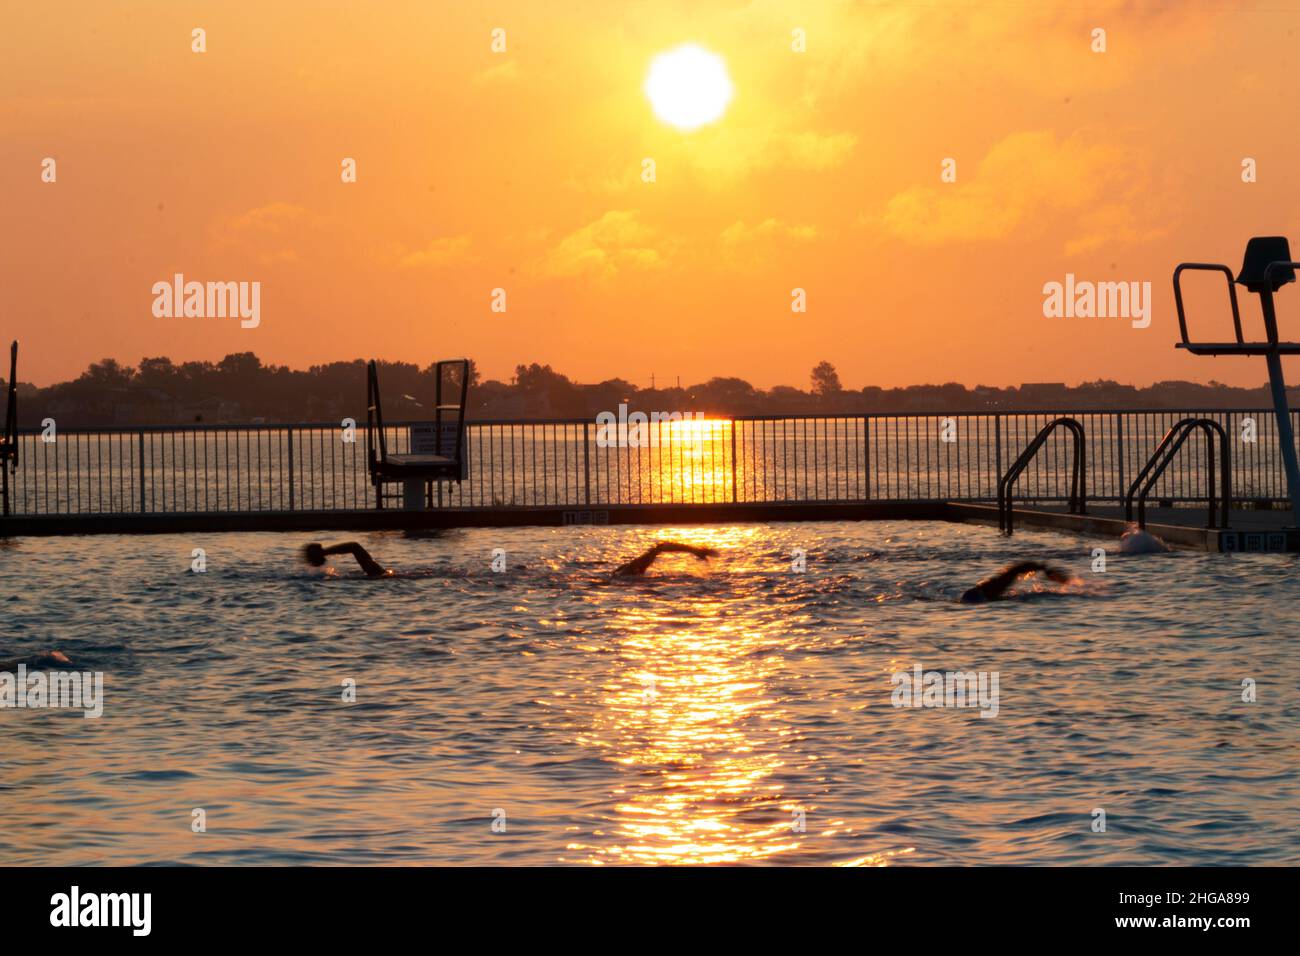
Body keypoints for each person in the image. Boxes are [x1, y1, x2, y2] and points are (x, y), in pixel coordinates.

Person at [300, 539, 718, 578]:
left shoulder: (623, 577)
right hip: (393, 579)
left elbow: (660, 548)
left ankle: (322, 551)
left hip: (400, 577)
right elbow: (660, 548)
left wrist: (696, 552)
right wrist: (697, 552)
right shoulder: (626, 576)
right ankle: (323, 551)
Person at [959, 561, 1071, 604]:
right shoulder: (990, 589)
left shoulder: (992, 589)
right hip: (1017, 570)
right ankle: (1058, 577)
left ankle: (1061, 578)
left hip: (1019, 569)